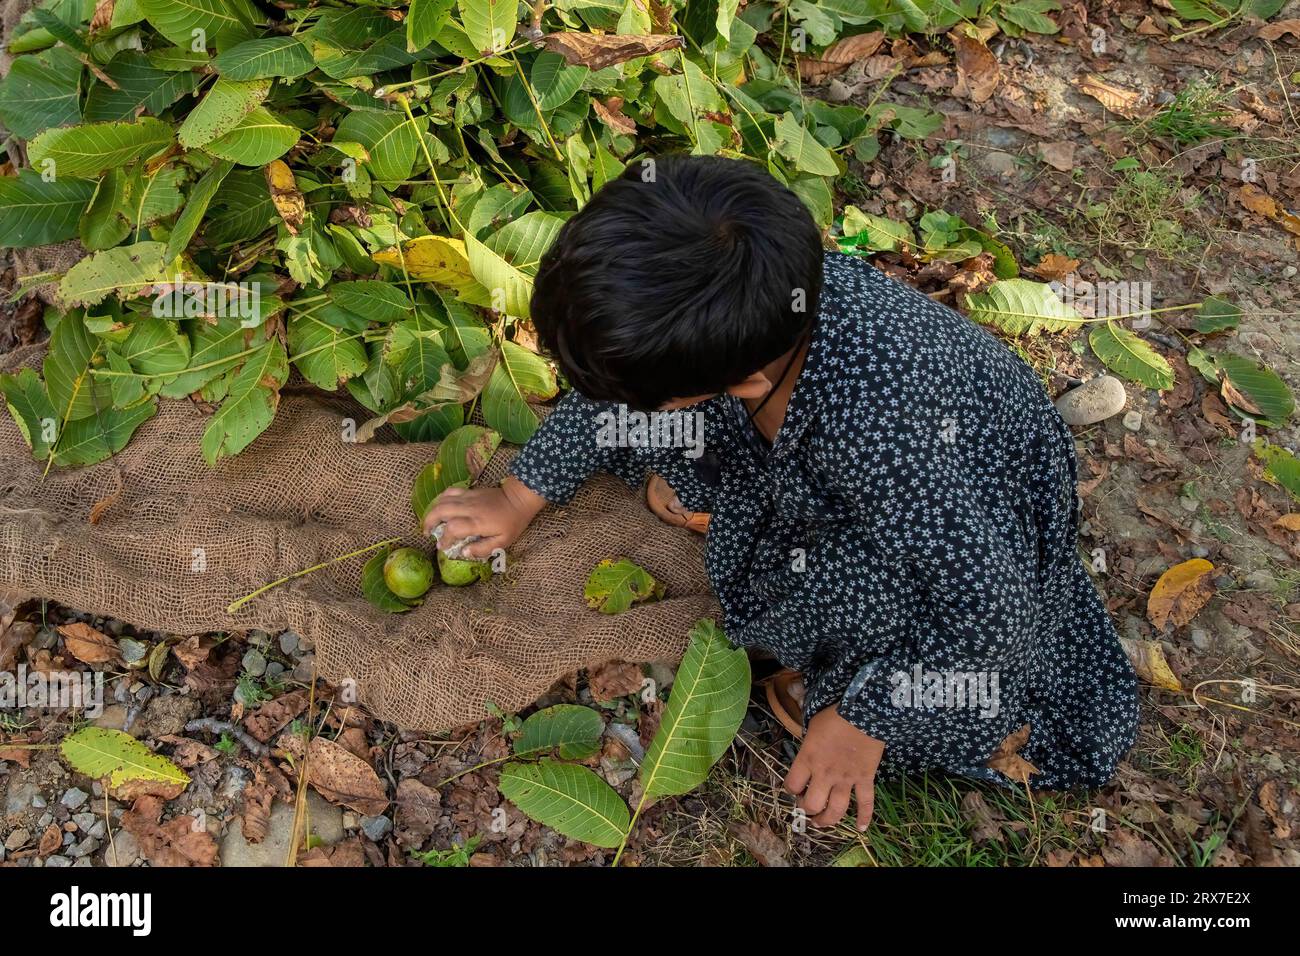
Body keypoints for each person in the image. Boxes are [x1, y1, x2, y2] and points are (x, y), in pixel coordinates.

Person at [423, 155, 1138, 831]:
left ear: (745, 386)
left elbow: (993, 618)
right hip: (854, 465)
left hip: (966, 533)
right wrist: (519, 497)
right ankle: (736, 499)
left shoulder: (878, 434)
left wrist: (861, 722)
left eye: (658, 401)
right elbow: (622, 386)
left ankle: (833, 681)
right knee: (659, 415)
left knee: (891, 629)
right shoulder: (748, 301)